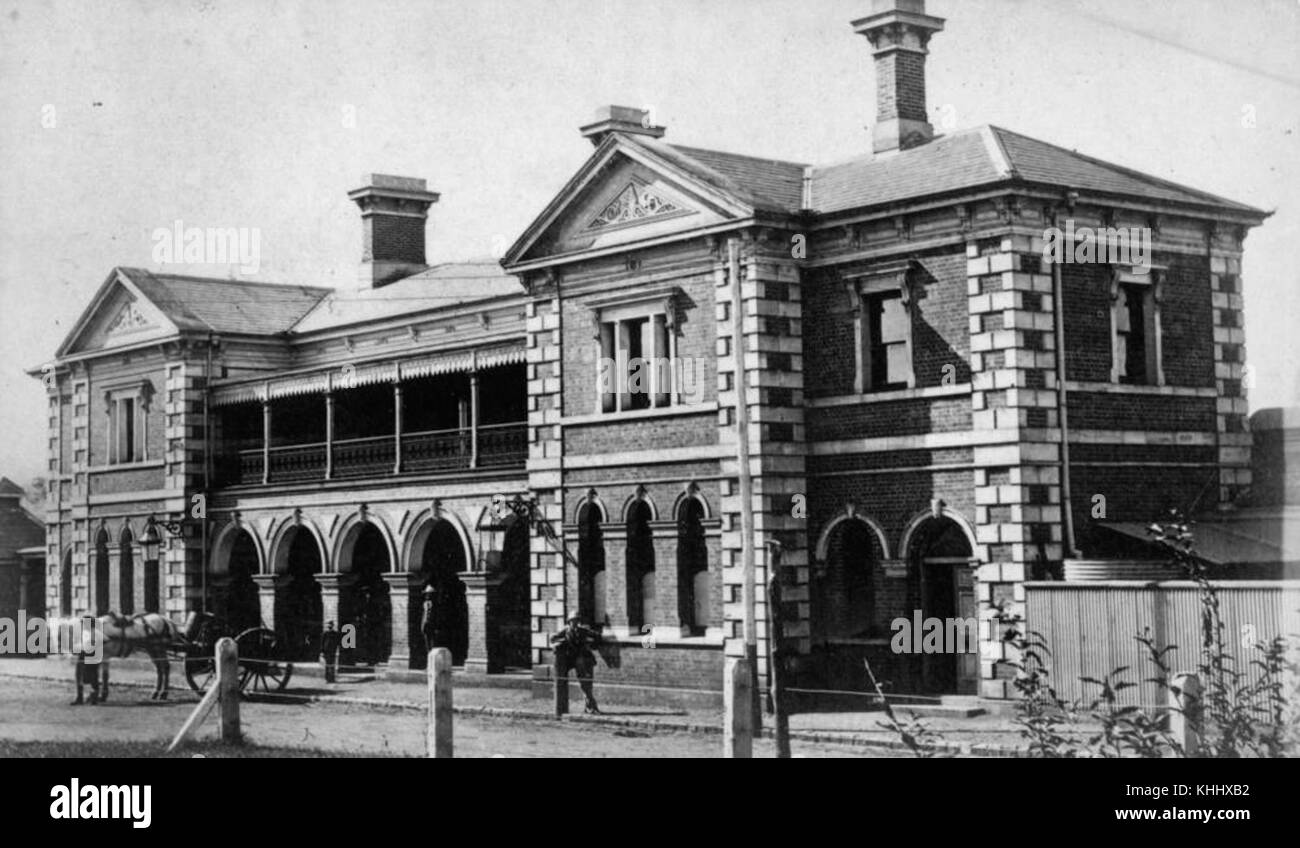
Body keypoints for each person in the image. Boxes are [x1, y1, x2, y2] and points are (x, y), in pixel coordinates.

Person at [551, 616, 602, 714]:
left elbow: (597, 636)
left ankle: (590, 706)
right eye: (572, 621)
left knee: (586, 684)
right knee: (582, 684)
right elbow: (553, 638)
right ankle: (591, 706)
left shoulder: (583, 631)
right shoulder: (565, 632)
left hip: (584, 660)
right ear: (569, 622)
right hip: (573, 661)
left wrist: (591, 645)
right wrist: (561, 642)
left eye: (576, 621)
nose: (575, 623)